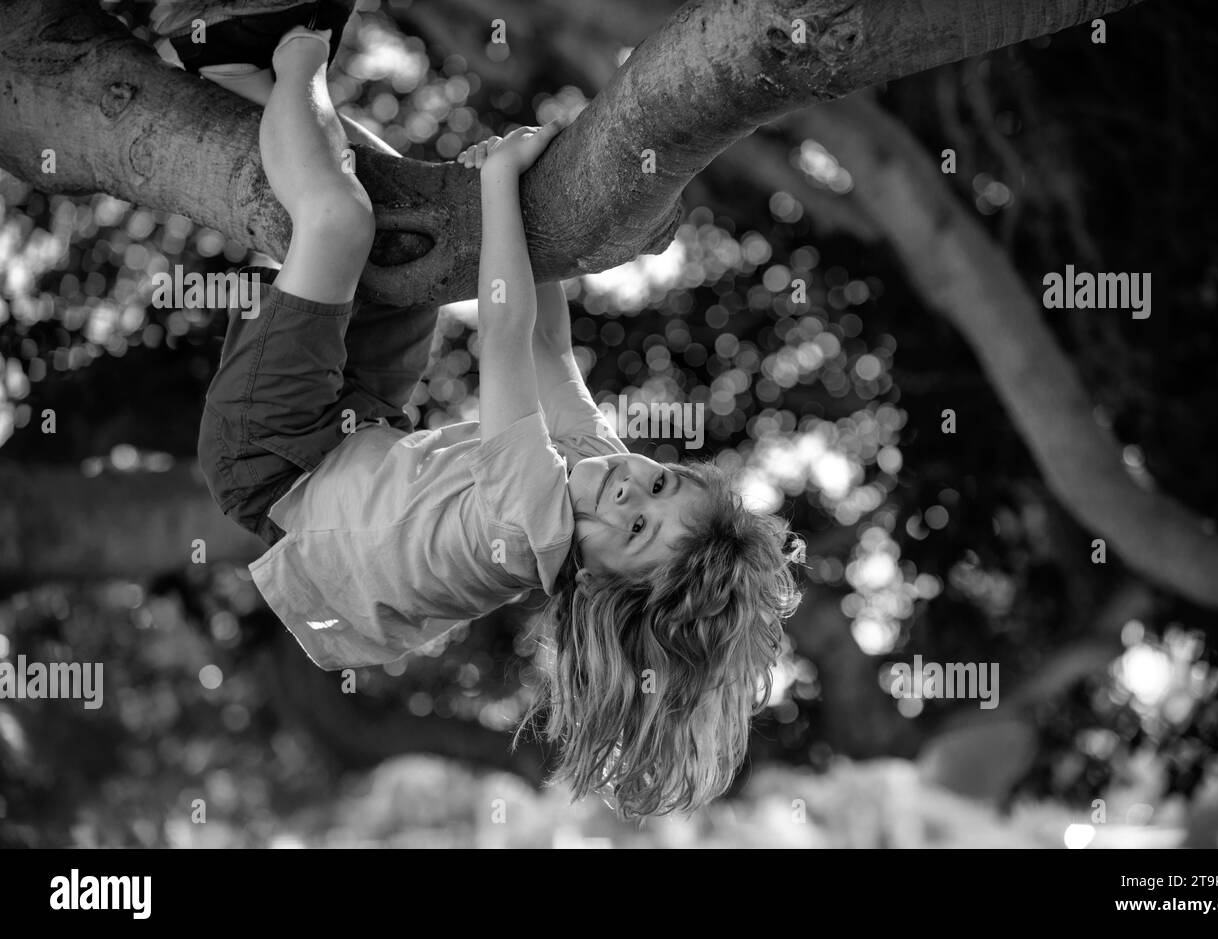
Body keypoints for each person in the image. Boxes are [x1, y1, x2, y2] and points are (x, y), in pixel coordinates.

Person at [193, 21, 805, 820]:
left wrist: (499, 181)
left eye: (635, 530)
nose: (630, 493)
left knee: (339, 222)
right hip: (355, 423)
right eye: (660, 485)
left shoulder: (533, 520)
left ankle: (295, 47)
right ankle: (230, 75)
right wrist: (513, 204)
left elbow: (507, 332)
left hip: (271, 456)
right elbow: (550, 344)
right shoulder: (593, 462)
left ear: (600, 582)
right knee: (409, 216)